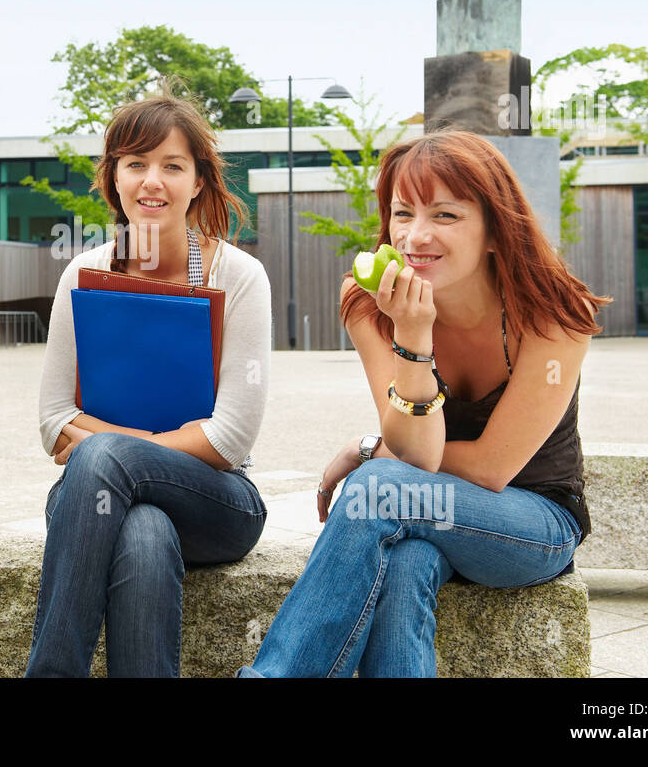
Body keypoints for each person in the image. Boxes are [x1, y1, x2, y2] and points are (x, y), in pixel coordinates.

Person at [241, 129, 609, 678]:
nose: (415, 236)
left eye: (445, 215)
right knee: (405, 561)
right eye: (402, 213)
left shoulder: (553, 312)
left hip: (532, 520)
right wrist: (413, 338)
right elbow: (413, 455)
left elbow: (488, 467)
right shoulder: (369, 304)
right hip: (426, 508)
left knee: (376, 489)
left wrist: (369, 451)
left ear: (493, 229)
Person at [26, 84, 272, 678]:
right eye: (135, 164)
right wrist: (113, 460)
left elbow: (229, 439)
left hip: (217, 500)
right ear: (113, 177)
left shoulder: (238, 276)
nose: (151, 181)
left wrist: (110, 451)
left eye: (172, 166)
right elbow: (53, 420)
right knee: (142, 532)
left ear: (199, 182)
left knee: (108, 459)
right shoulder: (83, 272)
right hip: (100, 502)